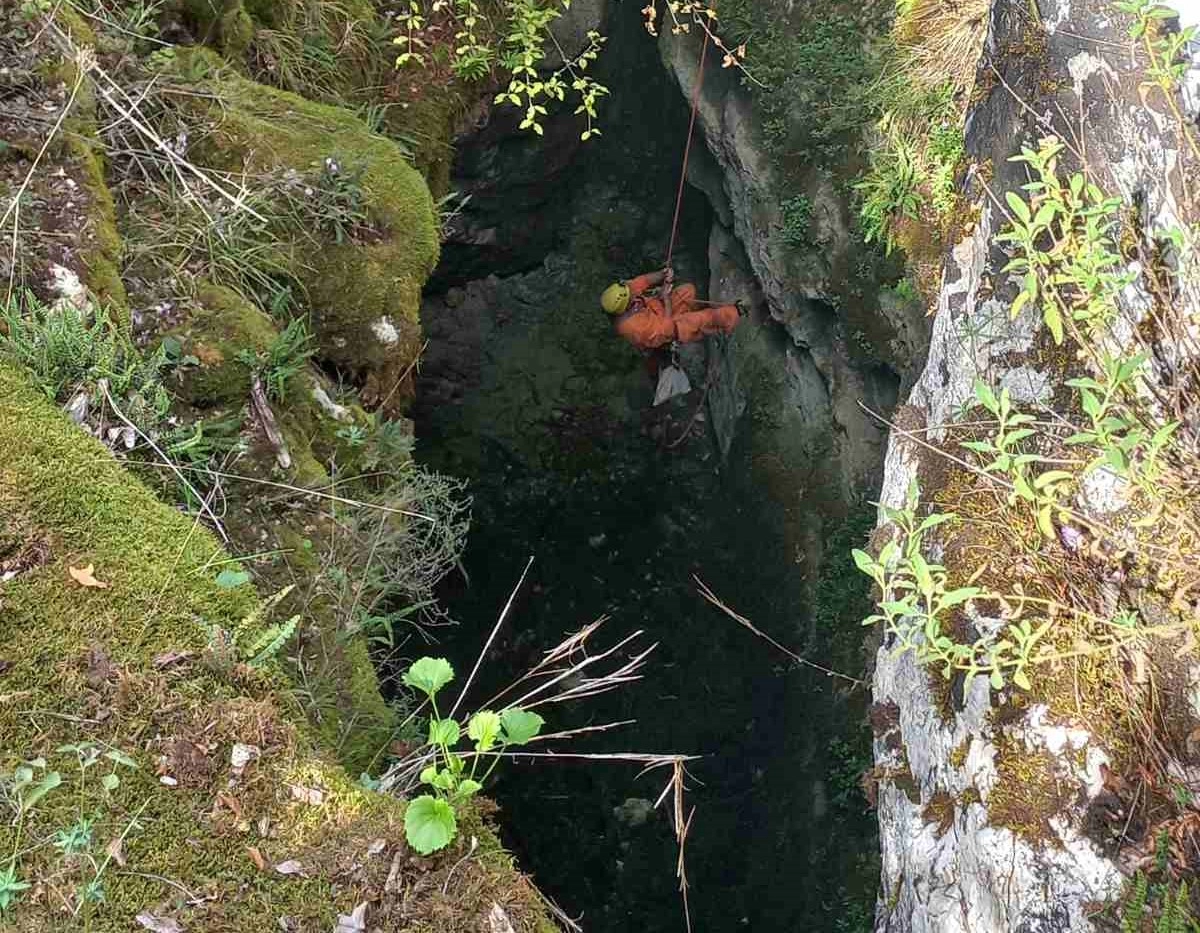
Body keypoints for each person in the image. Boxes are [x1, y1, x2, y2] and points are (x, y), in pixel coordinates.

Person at [600, 267, 741, 351]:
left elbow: (643, 281)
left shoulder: (623, 296)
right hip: (670, 330)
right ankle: (737, 315)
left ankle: (699, 327)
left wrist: (662, 274)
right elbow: (668, 330)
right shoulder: (635, 328)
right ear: (625, 308)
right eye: (631, 296)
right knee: (701, 319)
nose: (632, 292)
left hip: (661, 312)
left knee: (688, 291)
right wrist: (666, 298)